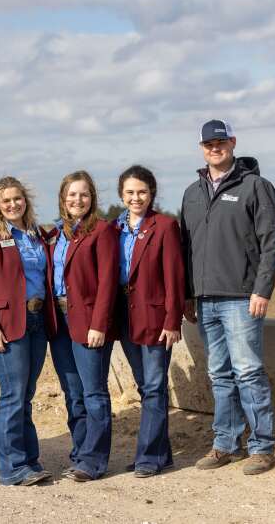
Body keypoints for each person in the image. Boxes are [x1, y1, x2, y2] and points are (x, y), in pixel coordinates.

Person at [180, 119, 275, 475]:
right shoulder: (192, 193)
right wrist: (188, 296)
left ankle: (261, 446)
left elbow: (271, 242)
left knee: (248, 371)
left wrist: (262, 289)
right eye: (208, 143)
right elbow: (185, 247)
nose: (215, 148)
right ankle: (225, 443)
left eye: (220, 142)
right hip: (205, 300)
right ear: (201, 147)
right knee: (219, 374)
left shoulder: (256, 186)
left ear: (233, 143)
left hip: (242, 297)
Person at [0, 176, 57, 486]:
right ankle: (12, 468)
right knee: (13, 394)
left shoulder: (38, 234)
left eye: (17, 199)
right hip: (8, 325)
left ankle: (29, 460)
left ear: (26, 200)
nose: (12, 204)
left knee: (27, 394)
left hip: (37, 321)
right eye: (5, 200)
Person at [112, 165, 184, 478]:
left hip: (155, 317)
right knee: (144, 384)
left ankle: (149, 457)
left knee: (154, 386)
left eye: (141, 191)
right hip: (125, 317)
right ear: (121, 195)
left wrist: (173, 320)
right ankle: (161, 454)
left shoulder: (165, 226)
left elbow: (175, 276)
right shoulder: (112, 228)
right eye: (130, 192)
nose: (136, 197)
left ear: (151, 193)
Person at [48, 170, 118, 482]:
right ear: (63, 199)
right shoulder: (54, 234)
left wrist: (99, 323)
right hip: (58, 321)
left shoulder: (101, 231)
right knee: (72, 393)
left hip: (88, 321)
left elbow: (107, 282)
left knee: (94, 392)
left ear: (92, 199)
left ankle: (94, 460)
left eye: (84, 194)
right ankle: (80, 452)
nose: (78, 200)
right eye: (72, 194)